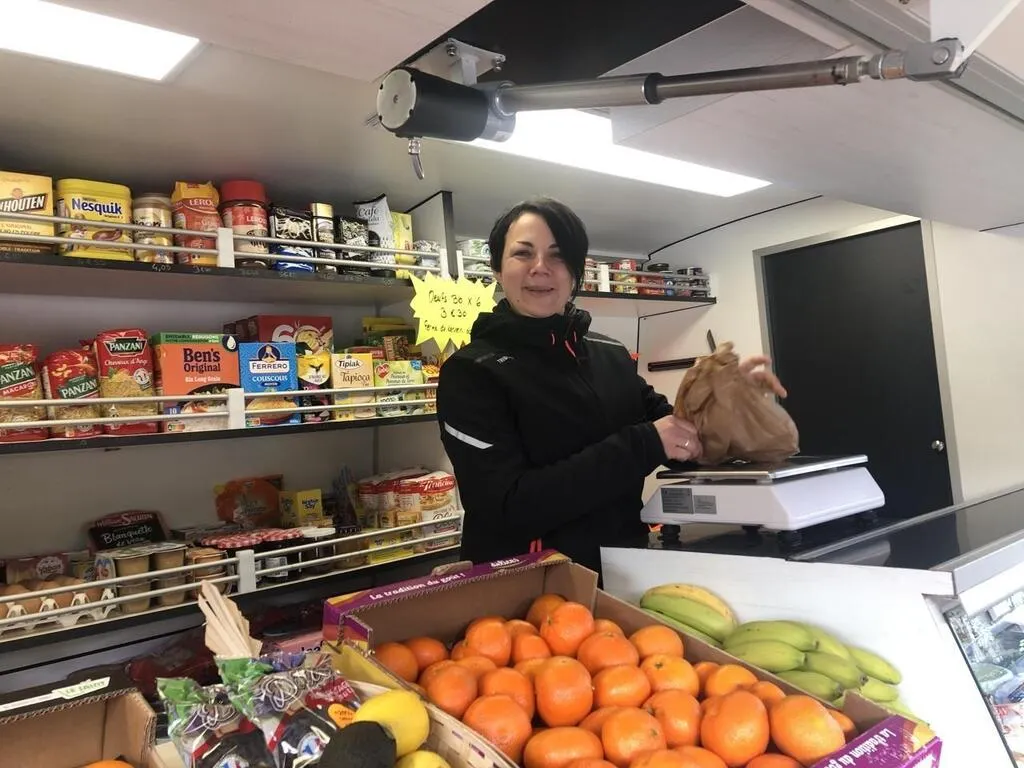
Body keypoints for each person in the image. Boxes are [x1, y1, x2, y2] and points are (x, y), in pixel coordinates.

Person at [436, 198, 785, 578]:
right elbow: (507, 506)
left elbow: (684, 439)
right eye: (523, 253)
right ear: (497, 269)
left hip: (624, 576)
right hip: (531, 593)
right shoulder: (471, 373)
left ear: (575, 271)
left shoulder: (610, 354)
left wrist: (728, 399)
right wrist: (645, 443)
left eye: (558, 255)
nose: (540, 268)